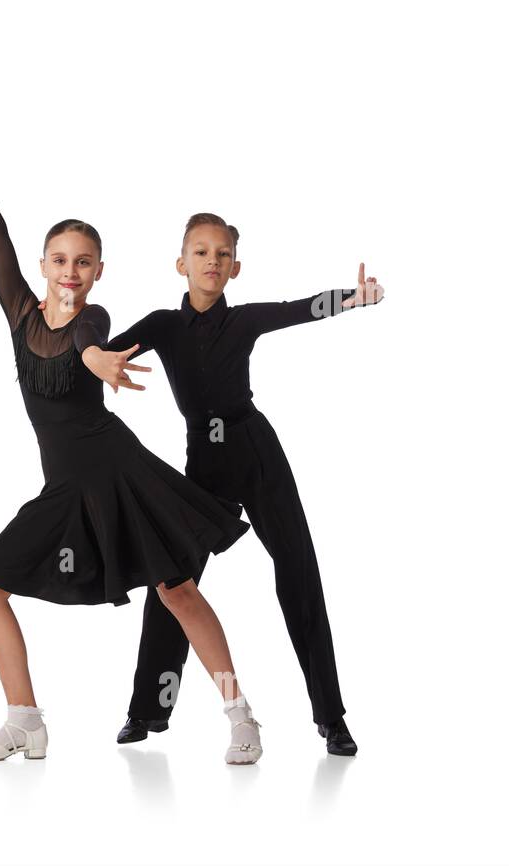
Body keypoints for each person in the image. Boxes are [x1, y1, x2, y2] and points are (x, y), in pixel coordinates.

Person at [0, 136, 261, 765]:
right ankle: (24, 721)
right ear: (42, 266)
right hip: (64, 489)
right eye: (61, 259)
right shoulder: (18, 312)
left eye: (84, 262)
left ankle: (241, 716)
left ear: (97, 272)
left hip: (121, 476)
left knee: (179, 593)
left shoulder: (95, 319)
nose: (71, 270)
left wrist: (97, 360)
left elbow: (90, 341)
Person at [98, 214, 384, 756]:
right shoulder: (163, 325)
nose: (212, 260)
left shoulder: (245, 320)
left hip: (256, 455)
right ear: (181, 263)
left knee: (297, 571)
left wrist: (354, 296)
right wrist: (70, 332)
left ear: (234, 267)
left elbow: (301, 309)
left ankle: (331, 717)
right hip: (204, 465)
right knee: (172, 581)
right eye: (201, 252)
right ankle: (146, 711)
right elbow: (104, 350)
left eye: (222, 254)